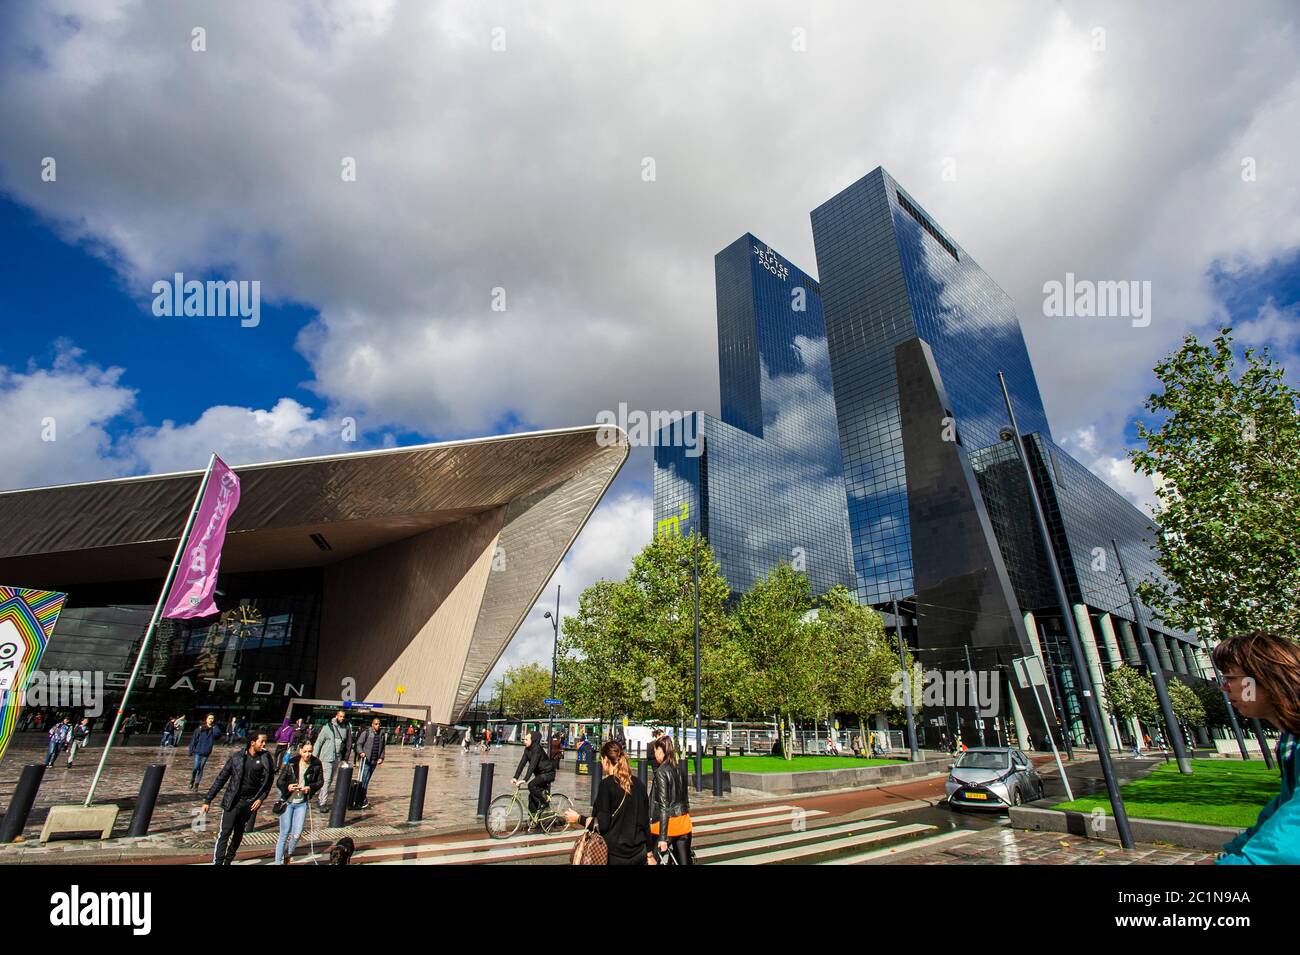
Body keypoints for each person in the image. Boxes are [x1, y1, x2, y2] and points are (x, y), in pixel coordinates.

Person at [1206, 632, 1300, 865]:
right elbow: (1283, 808)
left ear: (1265, 679)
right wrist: (1233, 853)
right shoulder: (1291, 739)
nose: (1224, 688)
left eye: (1230, 678)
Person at [564, 739, 653, 865]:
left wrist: (578, 818)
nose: (601, 763)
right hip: (639, 852)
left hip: (615, 854)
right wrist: (649, 853)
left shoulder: (607, 785)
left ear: (606, 760)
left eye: (601, 760)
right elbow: (645, 822)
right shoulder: (638, 784)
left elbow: (602, 825)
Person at [203, 730, 275, 865]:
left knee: (238, 833)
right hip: (233, 801)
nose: (264, 744)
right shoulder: (237, 757)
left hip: (249, 802)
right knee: (225, 833)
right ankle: (218, 862)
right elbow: (222, 778)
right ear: (253, 743)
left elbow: (268, 781)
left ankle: (228, 860)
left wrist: (260, 798)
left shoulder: (266, 758)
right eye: (262, 741)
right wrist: (208, 799)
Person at [273, 738, 323, 864]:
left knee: (297, 833)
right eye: (305, 751)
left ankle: (288, 854)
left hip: (302, 803)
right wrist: (287, 787)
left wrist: (310, 788)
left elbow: (320, 782)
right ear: (301, 751)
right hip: (288, 801)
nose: (308, 754)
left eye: (310, 751)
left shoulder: (316, 764)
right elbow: (279, 781)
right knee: (284, 833)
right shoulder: (291, 763)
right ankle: (277, 862)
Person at [650, 735, 693, 864]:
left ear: (660, 751)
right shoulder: (680, 769)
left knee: (651, 860)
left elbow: (664, 805)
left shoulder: (661, 772)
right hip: (684, 824)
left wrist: (663, 837)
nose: (654, 754)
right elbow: (684, 798)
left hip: (666, 826)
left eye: (655, 751)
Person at [511, 730, 555, 824]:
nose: (524, 741)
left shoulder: (537, 750)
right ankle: (534, 818)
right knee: (531, 796)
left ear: (533, 740)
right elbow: (522, 764)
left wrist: (524, 779)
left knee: (531, 785)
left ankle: (545, 803)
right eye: (524, 739)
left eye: (527, 739)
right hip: (540, 775)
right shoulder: (527, 750)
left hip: (548, 773)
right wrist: (515, 777)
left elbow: (532, 766)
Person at [313, 710, 354, 810]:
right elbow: (319, 742)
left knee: (330, 780)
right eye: (340, 716)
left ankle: (320, 797)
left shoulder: (346, 728)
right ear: (336, 716)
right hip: (326, 757)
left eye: (343, 717)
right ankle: (322, 802)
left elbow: (347, 743)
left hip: (337, 757)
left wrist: (345, 757)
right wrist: (314, 756)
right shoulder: (327, 728)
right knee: (326, 780)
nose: (342, 718)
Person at [353, 717, 387, 809]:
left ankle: (362, 798)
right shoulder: (366, 733)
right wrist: (361, 752)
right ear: (372, 724)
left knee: (366, 780)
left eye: (379, 724)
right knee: (363, 780)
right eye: (376, 724)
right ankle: (359, 800)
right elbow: (358, 744)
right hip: (366, 760)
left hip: (374, 761)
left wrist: (381, 758)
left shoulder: (381, 734)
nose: (378, 726)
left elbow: (383, 747)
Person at [187, 714, 224, 790]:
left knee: (201, 768)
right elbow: (194, 739)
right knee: (195, 767)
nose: (211, 720)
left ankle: (197, 784)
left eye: (212, 718)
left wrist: (214, 727)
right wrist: (191, 750)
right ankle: (192, 780)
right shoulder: (200, 728)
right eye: (209, 718)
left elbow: (218, 735)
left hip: (206, 751)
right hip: (198, 750)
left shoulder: (214, 728)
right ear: (206, 719)